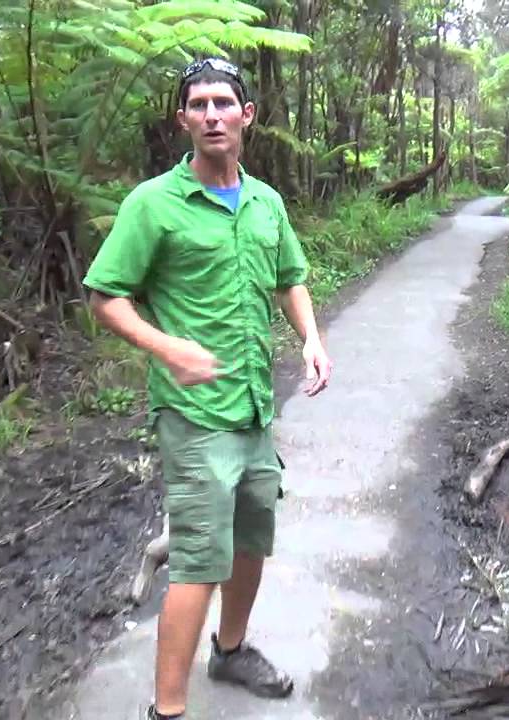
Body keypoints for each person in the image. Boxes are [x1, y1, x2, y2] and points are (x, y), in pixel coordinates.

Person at [82, 57, 333, 720]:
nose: (213, 115)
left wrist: (311, 338)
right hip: (193, 416)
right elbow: (105, 296)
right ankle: (167, 711)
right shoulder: (153, 204)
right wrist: (168, 348)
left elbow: (290, 278)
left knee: (251, 539)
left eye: (224, 103)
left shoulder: (265, 202)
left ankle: (230, 649)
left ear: (247, 115)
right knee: (197, 561)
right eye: (199, 105)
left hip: (252, 408)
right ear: (183, 120)